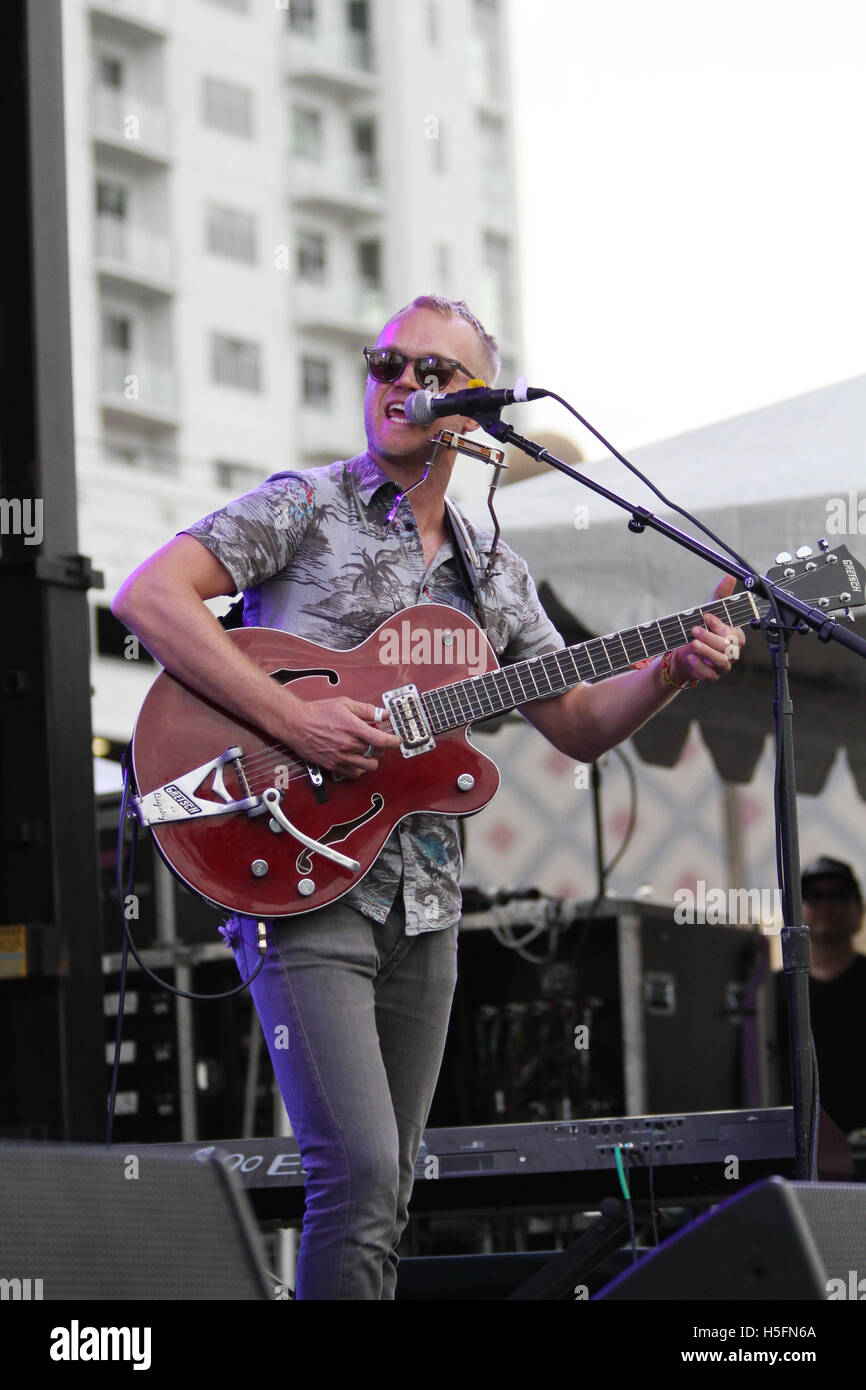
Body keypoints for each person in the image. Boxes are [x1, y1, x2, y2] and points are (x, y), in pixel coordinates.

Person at [112, 294, 746, 1299]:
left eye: (433, 373)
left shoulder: (494, 566)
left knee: (388, 1182)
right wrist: (292, 723)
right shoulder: (303, 506)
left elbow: (576, 721)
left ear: (476, 408)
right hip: (296, 872)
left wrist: (670, 664)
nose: (402, 386)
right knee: (357, 1172)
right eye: (387, 365)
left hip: (427, 899)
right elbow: (148, 595)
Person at [775, 856, 866, 1135]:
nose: (826, 906)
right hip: (791, 1147)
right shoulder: (769, 993)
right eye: (813, 897)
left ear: (859, 910)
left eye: (839, 896)